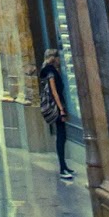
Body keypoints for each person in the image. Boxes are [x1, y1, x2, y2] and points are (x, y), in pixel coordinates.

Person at [39, 47, 73, 180]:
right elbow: (54, 92)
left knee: (62, 136)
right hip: (56, 107)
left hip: (57, 106)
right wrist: (61, 109)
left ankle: (64, 166)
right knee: (61, 136)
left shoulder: (48, 71)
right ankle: (62, 167)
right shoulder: (51, 72)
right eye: (58, 57)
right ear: (54, 58)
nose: (60, 60)